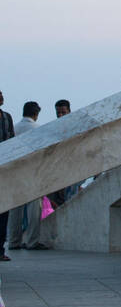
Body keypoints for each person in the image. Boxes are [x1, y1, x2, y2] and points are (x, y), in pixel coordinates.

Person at [7, 102, 54, 251]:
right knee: (34, 208)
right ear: (36, 114)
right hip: (32, 172)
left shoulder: (15, 128)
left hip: (15, 172)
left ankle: (14, 241)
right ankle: (33, 241)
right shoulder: (37, 129)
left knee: (15, 208)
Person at [0, 91, 14, 260]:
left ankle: (0, 250)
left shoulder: (6, 117)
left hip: (5, 169)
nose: (2, 97)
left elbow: (12, 139)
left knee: (4, 212)